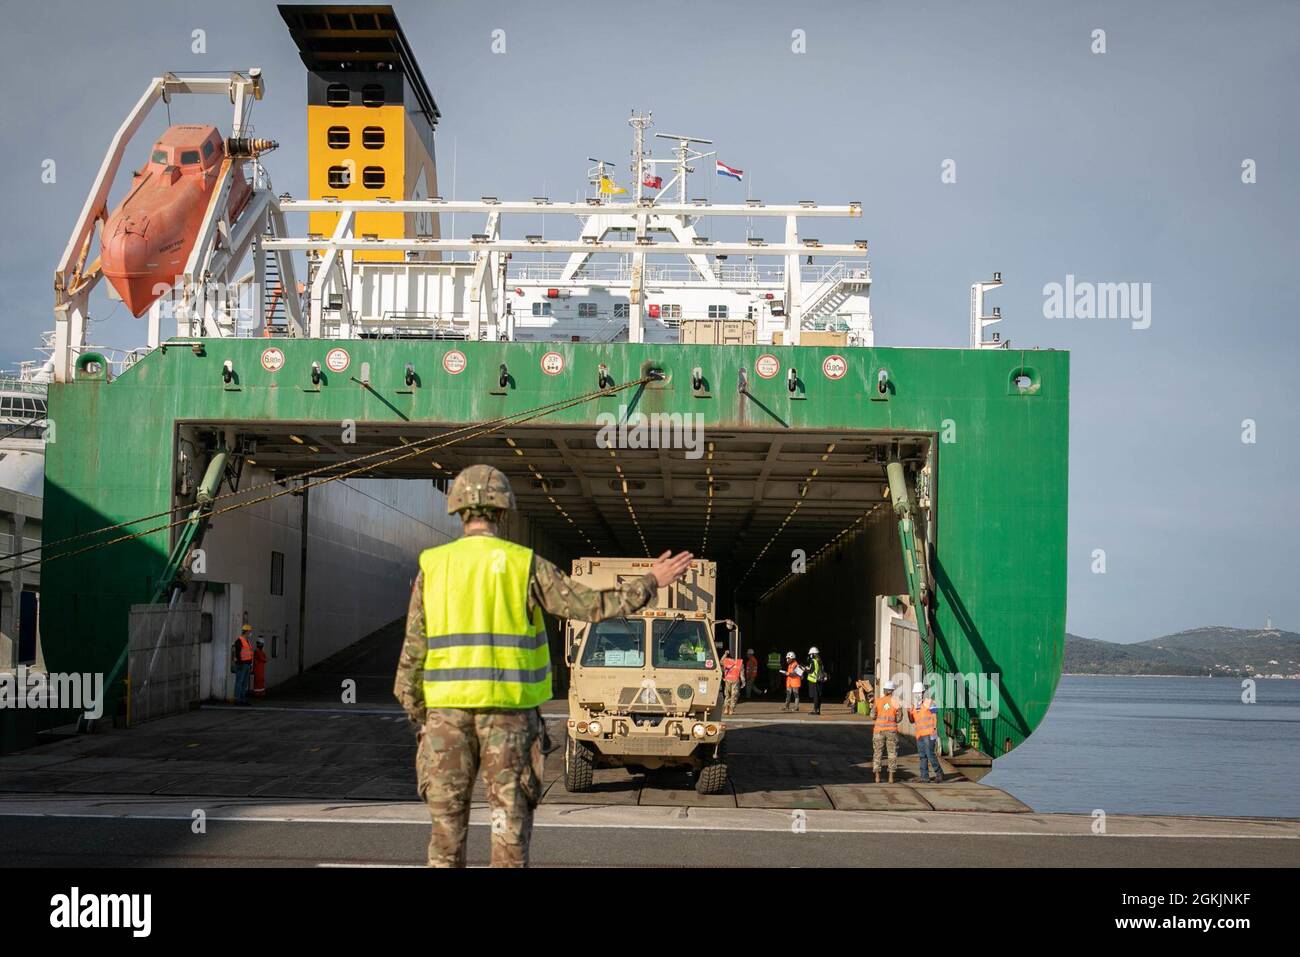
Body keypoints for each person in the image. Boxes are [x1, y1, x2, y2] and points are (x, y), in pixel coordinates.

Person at [394, 464, 693, 868]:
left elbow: (412, 657)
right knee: (508, 828)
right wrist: (650, 581)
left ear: (458, 509)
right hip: (510, 721)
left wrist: (421, 719)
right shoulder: (523, 565)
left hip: (446, 719)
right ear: (503, 511)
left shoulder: (433, 565)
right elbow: (591, 607)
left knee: (445, 834)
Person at [908, 680, 944, 783]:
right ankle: (924, 777)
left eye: (918, 693)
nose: (917, 695)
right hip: (919, 735)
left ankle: (939, 773)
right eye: (915, 693)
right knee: (922, 755)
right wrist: (908, 712)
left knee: (930, 754)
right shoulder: (914, 706)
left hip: (929, 733)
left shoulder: (930, 702)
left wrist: (934, 729)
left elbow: (934, 716)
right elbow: (912, 721)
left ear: (923, 693)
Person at [871, 679, 902, 783]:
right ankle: (891, 777)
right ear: (892, 691)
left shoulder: (878, 701)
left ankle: (877, 777)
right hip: (891, 731)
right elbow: (899, 718)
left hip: (879, 731)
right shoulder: (896, 702)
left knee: (877, 753)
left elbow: (872, 716)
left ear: (884, 690)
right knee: (892, 754)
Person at [231, 624, 254, 704]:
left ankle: (242, 698)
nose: (250, 633)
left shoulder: (247, 641)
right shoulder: (239, 641)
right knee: (239, 681)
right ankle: (237, 699)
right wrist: (239, 663)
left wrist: (250, 664)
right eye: (250, 631)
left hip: (247, 664)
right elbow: (237, 653)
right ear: (246, 632)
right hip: (241, 664)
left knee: (244, 683)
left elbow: (249, 653)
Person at [720, 649, 744, 715]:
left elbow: (720, 662)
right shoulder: (739, 663)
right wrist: (743, 681)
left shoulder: (726, 661)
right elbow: (741, 673)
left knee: (727, 694)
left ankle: (726, 708)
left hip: (728, 679)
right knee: (734, 695)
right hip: (735, 680)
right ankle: (731, 709)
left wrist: (725, 654)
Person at [806, 647, 825, 715]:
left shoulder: (813, 661)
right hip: (819, 679)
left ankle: (815, 710)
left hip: (814, 680)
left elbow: (811, 670)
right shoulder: (819, 660)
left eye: (811, 654)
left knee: (815, 696)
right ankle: (818, 710)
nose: (810, 655)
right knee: (819, 695)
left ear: (813, 654)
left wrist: (806, 669)